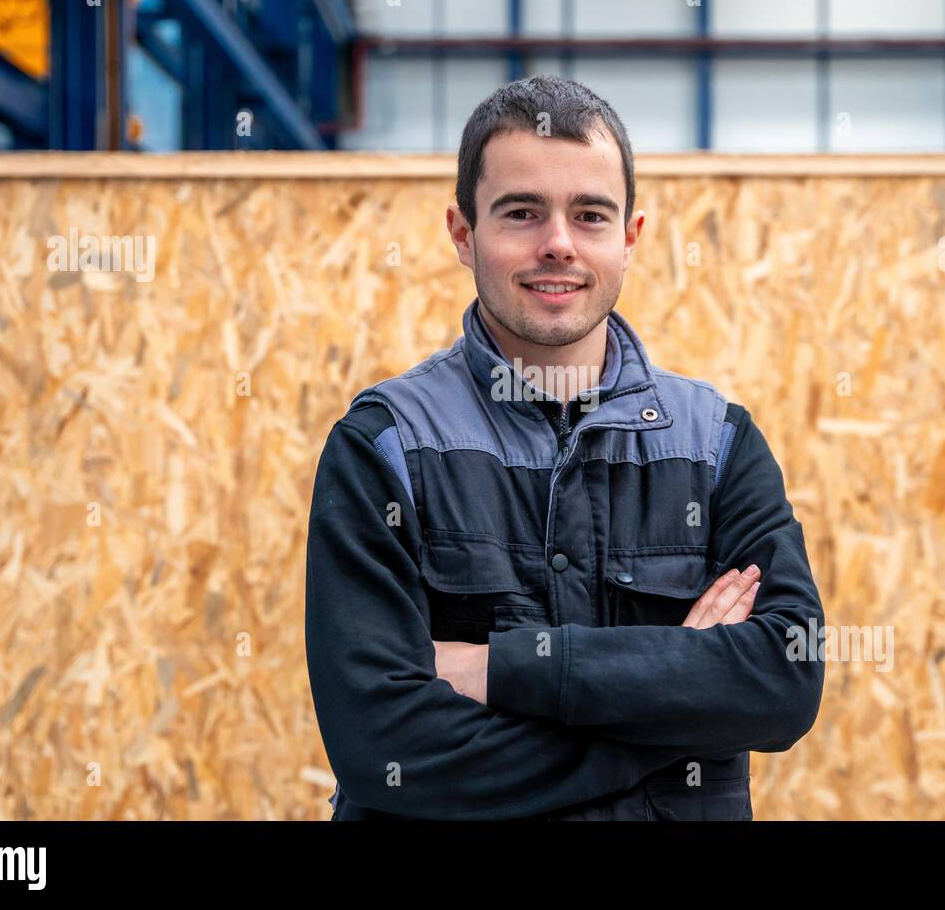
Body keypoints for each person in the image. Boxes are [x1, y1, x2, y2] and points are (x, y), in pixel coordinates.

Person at [305, 75, 824, 820]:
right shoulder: (384, 448)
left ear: (630, 237)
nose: (558, 243)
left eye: (589, 215)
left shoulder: (716, 444)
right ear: (462, 232)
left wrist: (501, 671)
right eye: (522, 213)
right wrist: (674, 721)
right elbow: (383, 747)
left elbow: (784, 679)